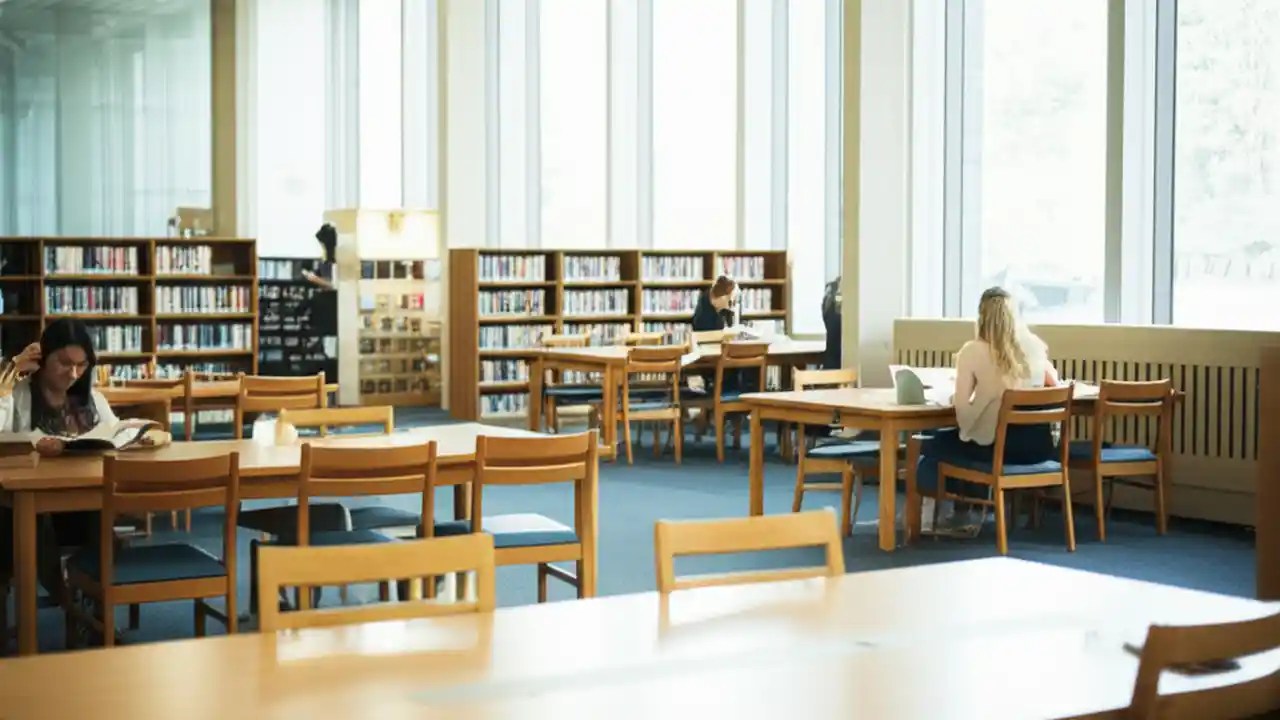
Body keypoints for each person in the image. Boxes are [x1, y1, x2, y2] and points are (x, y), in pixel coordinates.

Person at [915, 286, 1060, 531]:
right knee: (967, 442)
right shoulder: (1034, 347)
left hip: (999, 452)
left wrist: (961, 399)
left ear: (981, 316)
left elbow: (962, 417)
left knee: (932, 443)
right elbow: (1053, 385)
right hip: (1038, 448)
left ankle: (928, 520)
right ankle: (966, 513)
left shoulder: (972, 351)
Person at [0, 319, 120, 597]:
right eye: (64, 363)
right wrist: (10, 372)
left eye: (82, 365)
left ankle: (89, 602)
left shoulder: (92, 399)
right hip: (25, 503)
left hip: (82, 498)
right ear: (43, 357)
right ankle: (64, 589)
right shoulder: (18, 395)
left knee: (102, 515)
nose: (73, 373)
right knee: (38, 521)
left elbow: (114, 434)